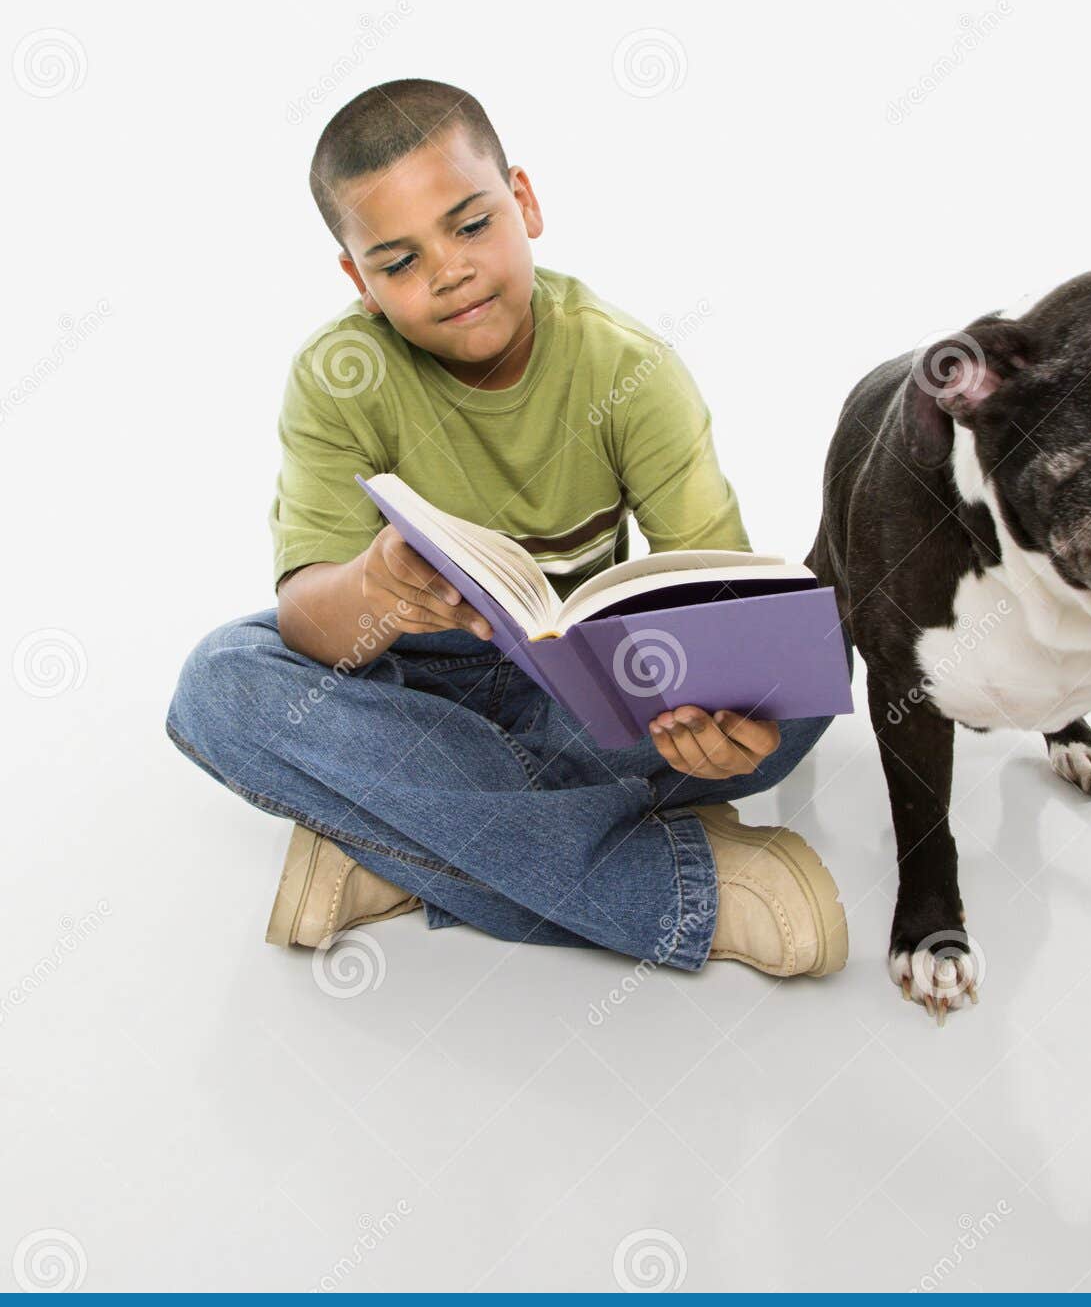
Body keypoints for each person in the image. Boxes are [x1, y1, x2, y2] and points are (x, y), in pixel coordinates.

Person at [165, 78, 848, 979]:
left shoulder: (628, 366)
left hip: (589, 697)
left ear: (523, 201)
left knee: (801, 700)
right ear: (358, 279)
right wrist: (372, 588)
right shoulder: (339, 374)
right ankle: (687, 891)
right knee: (222, 683)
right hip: (413, 687)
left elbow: (716, 609)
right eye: (399, 262)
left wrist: (723, 719)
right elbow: (304, 625)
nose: (448, 271)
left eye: (472, 224)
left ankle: (390, 841)